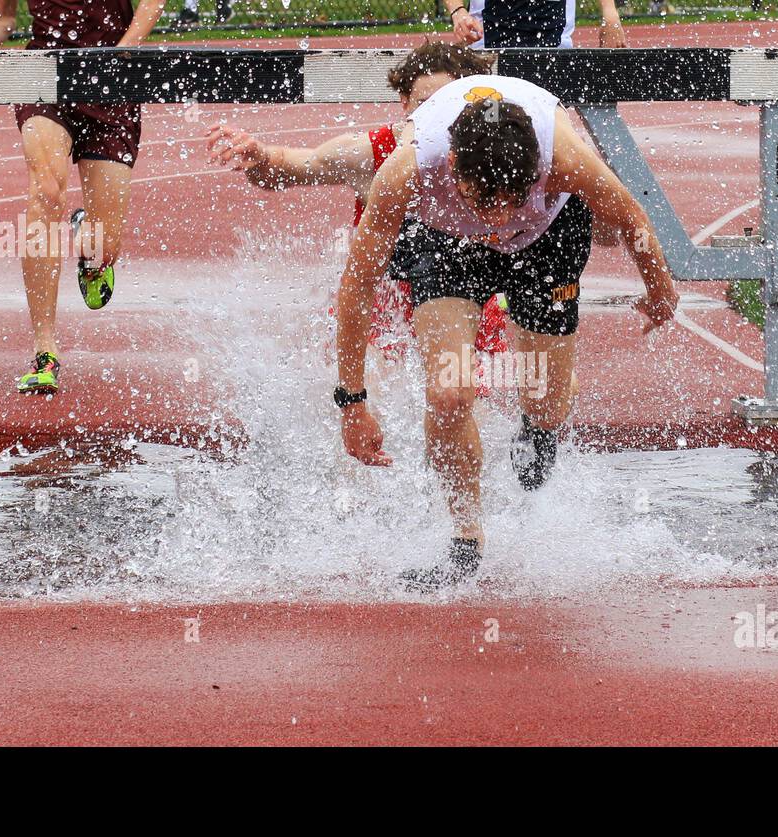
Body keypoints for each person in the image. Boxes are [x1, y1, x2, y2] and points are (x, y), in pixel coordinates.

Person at [336, 73, 680, 590]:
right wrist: (352, 401)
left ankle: (539, 431)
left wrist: (660, 290)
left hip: (547, 239)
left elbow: (631, 215)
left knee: (546, 398)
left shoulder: (565, 160)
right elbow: (357, 285)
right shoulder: (408, 171)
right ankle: (465, 541)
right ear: (453, 166)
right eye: (485, 199)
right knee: (449, 392)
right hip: (449, 245)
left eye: (512, 197)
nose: (498, 217)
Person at [203, 42, 511, 370]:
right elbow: (292, 166)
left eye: (447, 106)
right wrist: (261, 158)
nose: (435, 116)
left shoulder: (493, 158)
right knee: (372, 385)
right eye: (424, 104)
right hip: (385, 301)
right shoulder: (370, 154)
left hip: (467, 296)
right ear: (404, 103)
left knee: (466, 395)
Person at [0, 0, 167, 395]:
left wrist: (122, 50)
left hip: (112, 82)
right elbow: (2, 18)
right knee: (47, 190)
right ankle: (45, 352)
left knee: (104, 246)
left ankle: (87, 236)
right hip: (46, 77)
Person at [444, 0, 627, 49]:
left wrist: (610, 14)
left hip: (553, 46)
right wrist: (458, 11)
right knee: (491, 122)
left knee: (550, 125)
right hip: (487, 46)